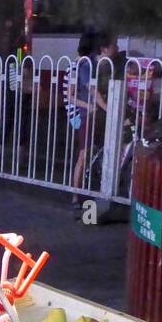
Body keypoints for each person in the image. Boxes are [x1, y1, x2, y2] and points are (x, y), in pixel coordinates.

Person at [65, 31, 116, 207]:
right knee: (84, 154)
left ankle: (79, 195)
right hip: (85, 115)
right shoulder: (86, 65)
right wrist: (109, 110)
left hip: (86, 114)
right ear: (100, 48)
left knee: (88, 153)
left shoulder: (84, 64)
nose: (116, 49)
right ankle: (75, 196)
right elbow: (94, 94)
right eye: (113, 46)